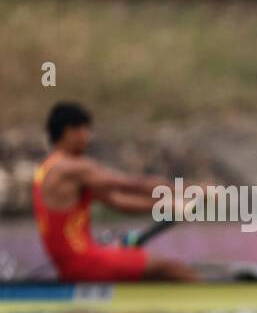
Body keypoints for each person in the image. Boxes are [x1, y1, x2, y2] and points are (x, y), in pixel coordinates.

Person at [33, 102, 196, 282]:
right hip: (84, 261)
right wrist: (189, 190)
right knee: (176, 270)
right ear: (70, 132)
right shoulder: (71, 168)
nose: (89, 137)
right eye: (86, 130)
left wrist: (168, 205)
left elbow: (119, 202)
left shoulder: (46, 169)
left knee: (144, 264)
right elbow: (130, 184)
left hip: (72, 263)